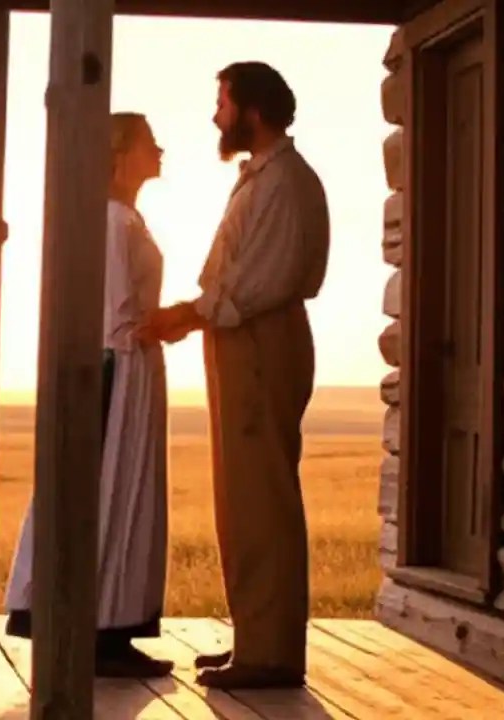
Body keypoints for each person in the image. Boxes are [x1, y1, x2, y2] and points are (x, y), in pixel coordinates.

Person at [137, 61, 329, 690]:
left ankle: (270, 656)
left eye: (222, 102)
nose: (215, 114)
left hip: (259, 342)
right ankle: (257, 639)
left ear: (252, 110)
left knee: (263, 496)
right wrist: (197, 318)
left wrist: (189, 315)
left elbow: (255, 285)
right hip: (239, 339)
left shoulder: (285, 183)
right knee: (242, 497)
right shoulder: (262, 178)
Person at [2, 112, 173, 679]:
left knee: (125, 494)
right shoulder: (110, 220)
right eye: (151, 142)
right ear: (120, 154)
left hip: (132, 367)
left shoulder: (123, 217)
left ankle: (112, 624)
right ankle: (97, 628)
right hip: (121, 370)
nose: (161, 149)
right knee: (108, 491)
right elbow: (117, 311)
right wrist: (151, 331)